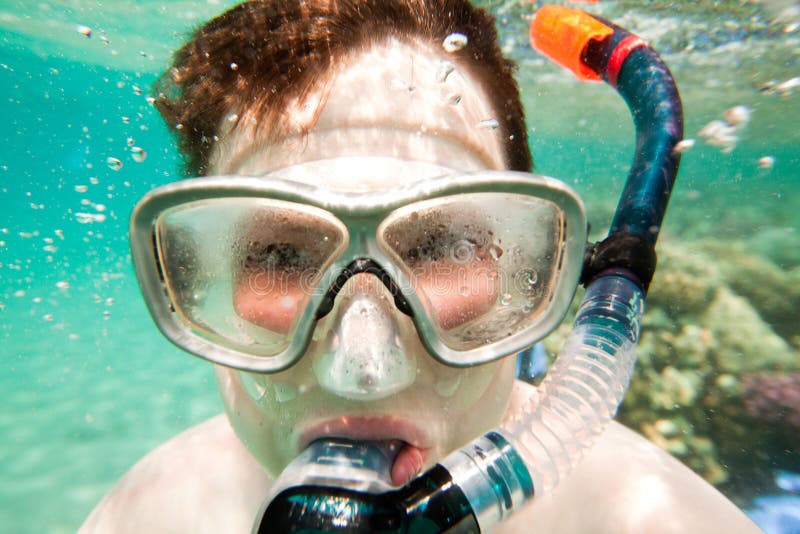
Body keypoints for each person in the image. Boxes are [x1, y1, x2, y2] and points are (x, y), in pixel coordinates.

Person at [81, 1, 760, 532]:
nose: (365, 371)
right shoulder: (145, 518)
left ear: (531, 272)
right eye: (281, 256)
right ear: (207, 285)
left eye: (443, 248)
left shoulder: (658, 520)